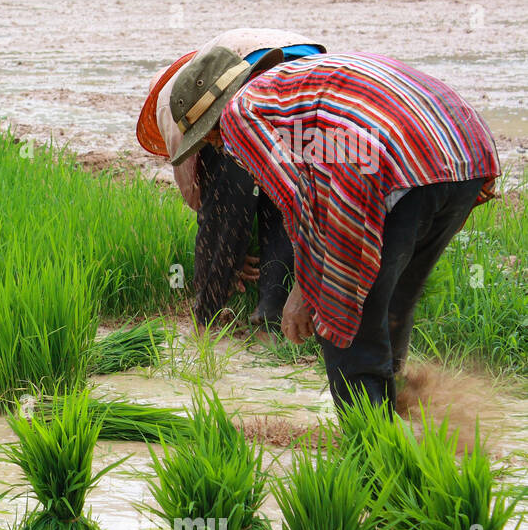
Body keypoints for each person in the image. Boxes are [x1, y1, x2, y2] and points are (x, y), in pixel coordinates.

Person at [167, 47, 498, 410]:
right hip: (464, 152)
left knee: (342, 310)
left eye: (207, 136)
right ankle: (400, 421)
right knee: (389, 302)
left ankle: (369, 448)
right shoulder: (291, 85)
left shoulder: (240, 113)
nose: (216, 144)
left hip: (397, 164)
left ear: (215, 117)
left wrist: (306, 290)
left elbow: (299, 198)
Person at [137, 29, 325, 327]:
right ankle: (269, 316)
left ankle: (207, 315)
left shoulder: (174, 104)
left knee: (223, 205)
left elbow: (196, 193)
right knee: (283, 197)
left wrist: (227, 252)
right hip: (304, 77)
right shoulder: (205, 63)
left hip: (251, 82)